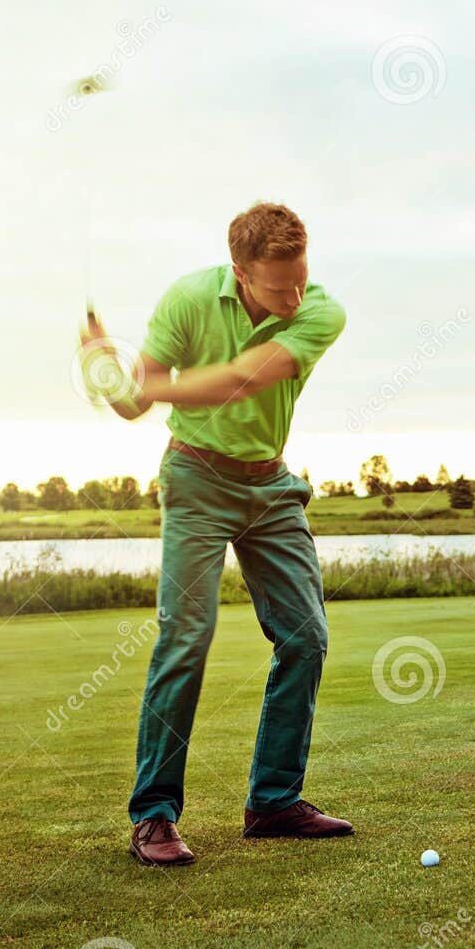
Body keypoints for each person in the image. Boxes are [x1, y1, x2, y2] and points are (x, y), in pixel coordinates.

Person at [79, 201, 352, 866]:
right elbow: (134, 397)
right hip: (196, 480)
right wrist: (112, 381)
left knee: (307, 637)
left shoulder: (321, 310)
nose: (293, 296)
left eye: (299, 279)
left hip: (271, 486)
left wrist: (148, 395)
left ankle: (274, 801)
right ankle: (154, 815)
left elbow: (243, 378)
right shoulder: (189, 298)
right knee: (186, 635)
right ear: (240, 271)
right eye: (276, 285)